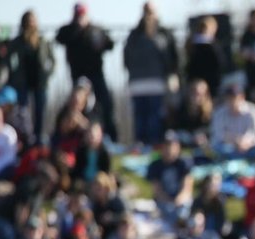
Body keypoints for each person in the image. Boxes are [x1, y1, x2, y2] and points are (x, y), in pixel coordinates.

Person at [56, 3, 116, 141]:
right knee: (77, 104)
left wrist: (99, 40)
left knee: (105, 105)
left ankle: (109, 136)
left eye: (82, 15)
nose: (80, 18)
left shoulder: (95, 30)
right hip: (78, 76)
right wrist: (77, 28)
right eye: (78, 15)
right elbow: (59, 38)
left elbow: (110, 44)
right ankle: (77, 136)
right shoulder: (69, 30)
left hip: (96, 75)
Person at [123, 3, 178, 147]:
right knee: (140, 117)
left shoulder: (164, 33)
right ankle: (141, 146)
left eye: (151, 11)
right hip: (138, 84)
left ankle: (155, 144)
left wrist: (171, 74)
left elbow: (172, 57)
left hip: (157, 83)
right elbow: (127, 57)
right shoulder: (134, 35)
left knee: (156, 117)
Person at [5, 10, 56, 143]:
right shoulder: (17, 42)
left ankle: (39, 137)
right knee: (23, 112)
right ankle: (25, 137)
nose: (31, 24)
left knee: (40, 111)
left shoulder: (43, 41)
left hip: (40, 81)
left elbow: (53, 60)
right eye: (28, 21)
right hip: (23, 82)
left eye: (33, 21)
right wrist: (13, 74)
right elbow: (8, 59)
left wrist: (48, 74)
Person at [210, 84, 255, 160]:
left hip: (250, 146)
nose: (231, 101)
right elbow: (219, 134)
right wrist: (236, 141)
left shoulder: (253, 109)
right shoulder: (219, 113)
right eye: (228, 98)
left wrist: (246, 142)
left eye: (234, 98)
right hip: (230, 147)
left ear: (242, 97)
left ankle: (239, 158)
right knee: (218, 148)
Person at [146, 132, 193, 221]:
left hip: (180, 201)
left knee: (184, 210)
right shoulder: (155, 165)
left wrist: (178, 200)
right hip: (163, 201)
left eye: (171, 145)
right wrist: (169, 202)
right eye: (166, 145)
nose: (169, 149)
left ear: (178, 147)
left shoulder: (183, 162)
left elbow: (187, 188)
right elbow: (157, 190)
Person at [185, 16, 226, 96]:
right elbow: (220, 63)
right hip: (209, 84)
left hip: (195, 82)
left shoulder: (191, 43)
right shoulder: (211, 46)